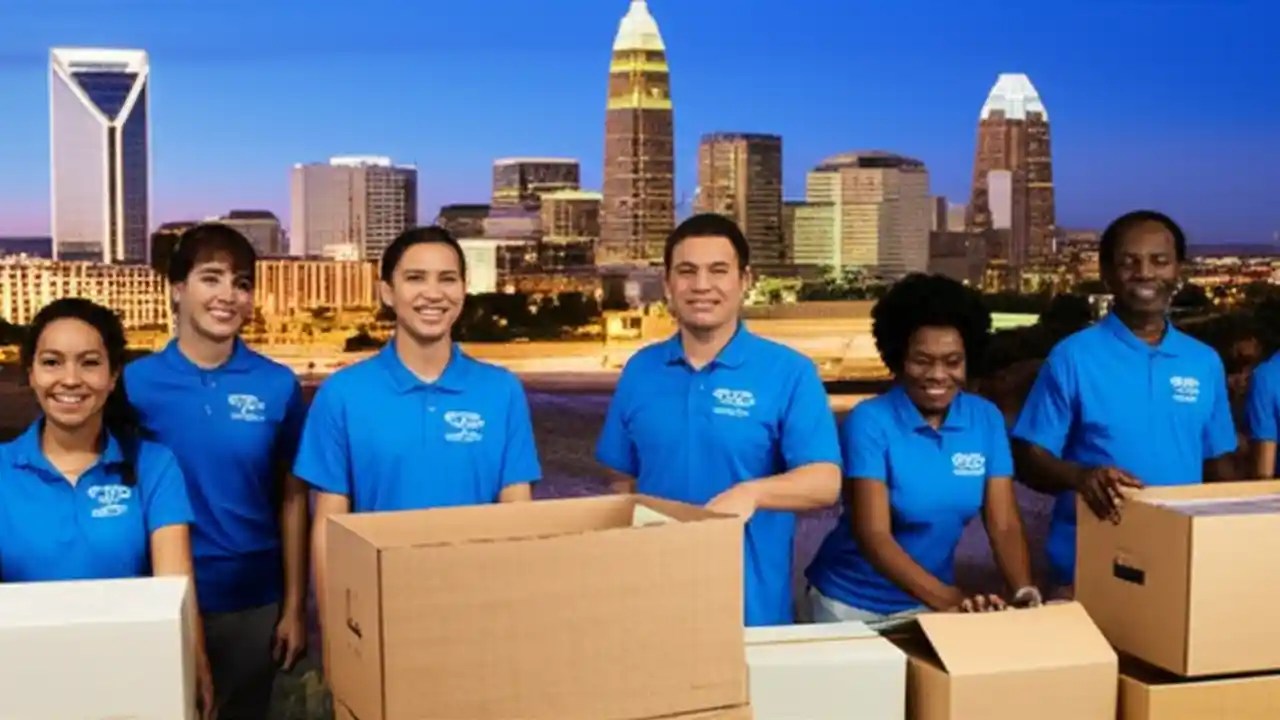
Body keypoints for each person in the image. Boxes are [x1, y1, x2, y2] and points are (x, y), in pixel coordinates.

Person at [293, 226, 541, 642]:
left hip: (480, 616)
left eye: (448, 278)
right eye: (415, 278)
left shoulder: (501, 391)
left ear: (464, 289)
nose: (433, 293)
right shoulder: (343, 394)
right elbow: (328, 528)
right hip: (379, 616)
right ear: (387, 292)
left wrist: (516, 616)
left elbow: (519, 517)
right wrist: (335, 631)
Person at [595, 213, 842, 627]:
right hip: (654, 606)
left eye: (719, 271)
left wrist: (752, 493)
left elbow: (824, 481)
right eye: (687, 272)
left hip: (750, 607)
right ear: (669, 282)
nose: (702, 286)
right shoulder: (641, 370)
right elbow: (621, 475)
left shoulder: (788, 372)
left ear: (745, 280)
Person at [125, 223, 309, 719]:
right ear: (177, 288)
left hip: (253, 600)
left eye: (242, 283)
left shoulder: (277, 385)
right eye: (212, 278)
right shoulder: (133, 385)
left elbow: (293, 499)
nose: (229, 295)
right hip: (159, 594)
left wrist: (293, 606)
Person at [0, 298, 214, 718]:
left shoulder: (152, 465)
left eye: (90, 363)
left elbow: (177, 588)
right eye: (52, 362)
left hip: (131, 680)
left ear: (113, 375)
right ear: (31, 372)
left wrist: (195, 666)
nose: (70, 379)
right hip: (22, 683)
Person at [1012, 210, 1238, 596]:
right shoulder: (1073, 357)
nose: (1145, 273)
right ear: (1106, 273)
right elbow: (1027, 454)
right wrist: (1080, 478)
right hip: (1088, 565)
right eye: (1129, 262)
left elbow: (1218, 464)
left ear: (1178, 271)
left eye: (1159, 261)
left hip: (1181, 563)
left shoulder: (1204, 362)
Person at [804, 274, 1040, 628]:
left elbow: (1003, 522)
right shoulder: (870, 421)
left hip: (929, 603)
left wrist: (1023, 591)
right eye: (922, 360)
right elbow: (874, 536)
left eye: (952, 361)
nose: (937, 375)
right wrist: (954, 601)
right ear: (898, 359)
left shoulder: (984, 419)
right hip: (848, 605)